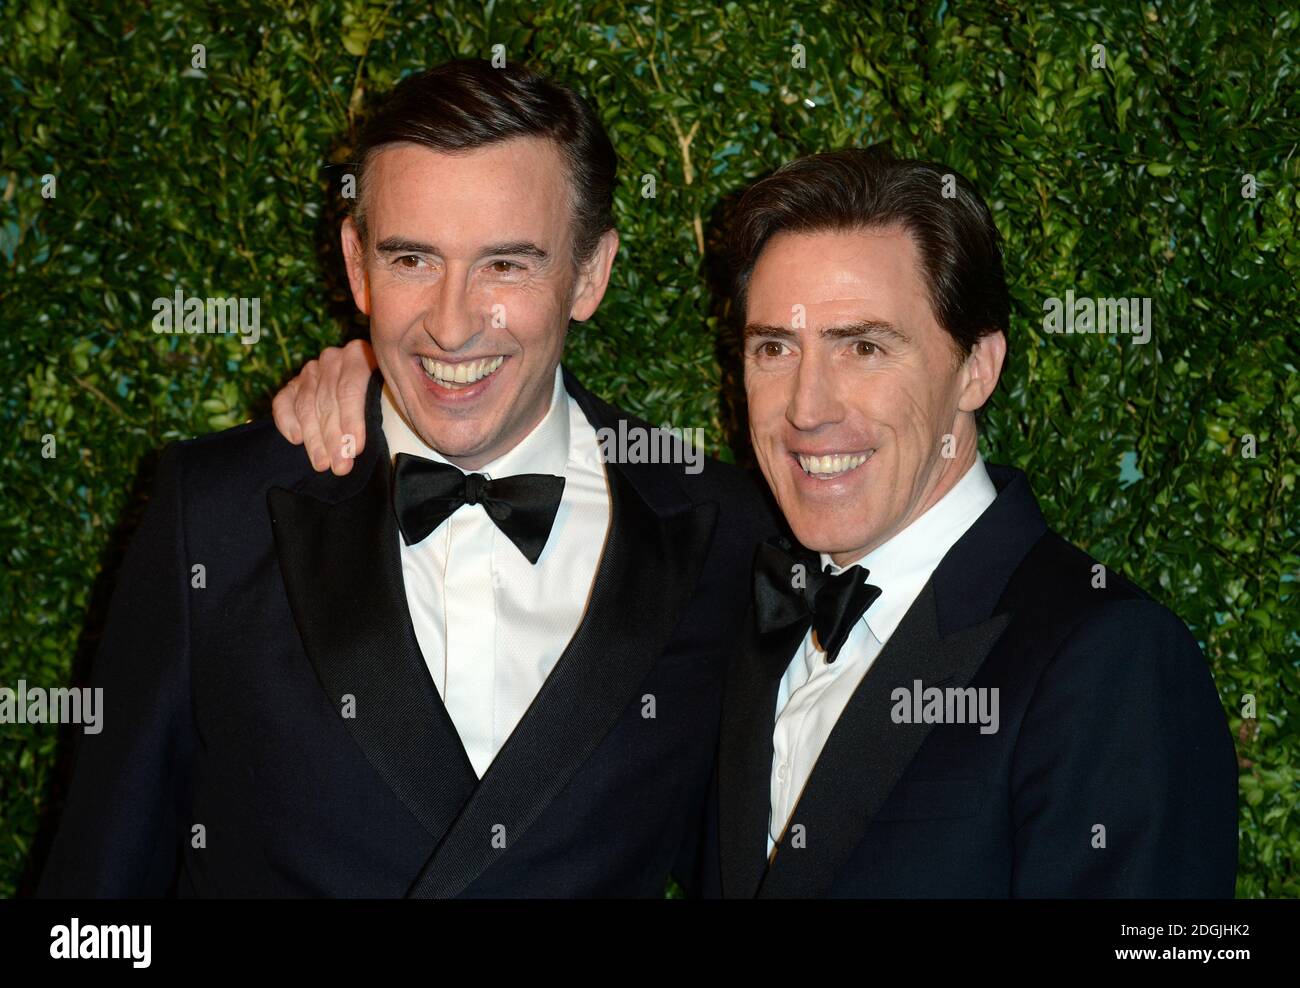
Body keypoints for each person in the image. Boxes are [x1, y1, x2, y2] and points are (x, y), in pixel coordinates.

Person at [283, 147, 1239, 898]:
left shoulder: (1108, 659)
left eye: (864, 346)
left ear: (978, 367)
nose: (808, 407)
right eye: (774, 347)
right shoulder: (738, 601)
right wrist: (396, 387)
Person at [37, 59, 773, 897]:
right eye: (413, 259)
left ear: (590, 273)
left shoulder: (722, 532)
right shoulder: (213, 515)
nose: (452, 325)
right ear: (356, 264)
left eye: (507, 265)